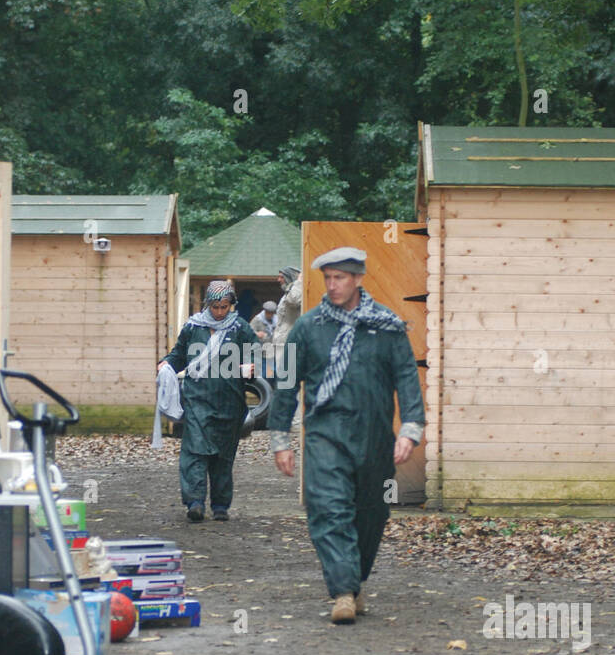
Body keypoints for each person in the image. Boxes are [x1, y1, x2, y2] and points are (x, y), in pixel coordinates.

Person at [267, 247, 424, 624]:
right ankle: (342, 591)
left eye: (340, 278)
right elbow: (287, 382)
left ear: (357, 279)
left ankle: (354, 581)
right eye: (328, 278)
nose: (333, 285)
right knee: (327, 507)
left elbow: (406, 376)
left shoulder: (385, 325)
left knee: (371, 513)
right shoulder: (309, 327)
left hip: (373, 435)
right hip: (324, 433)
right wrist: (280, 438)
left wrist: (410, 429)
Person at [160, 281, 258, 522]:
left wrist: (251, 366)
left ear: (231, 305)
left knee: (223, 454)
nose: (220, 312)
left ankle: (221, 504)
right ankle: (194, 502)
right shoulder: (193, 327)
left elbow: (255, 351)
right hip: (197, 399)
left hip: (230, 400)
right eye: (215, 307)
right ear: (207, 305)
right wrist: (167, 364)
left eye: (224, 307)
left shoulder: (239, 328)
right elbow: (179, 354)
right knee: (195, 450)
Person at [273, 266, 301, 350]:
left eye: (282, 277)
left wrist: (299, 282)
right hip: (281, 342)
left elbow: (293, 300)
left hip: (291, 343)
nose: (279, 280)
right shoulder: (286, 295)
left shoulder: (298, 292)